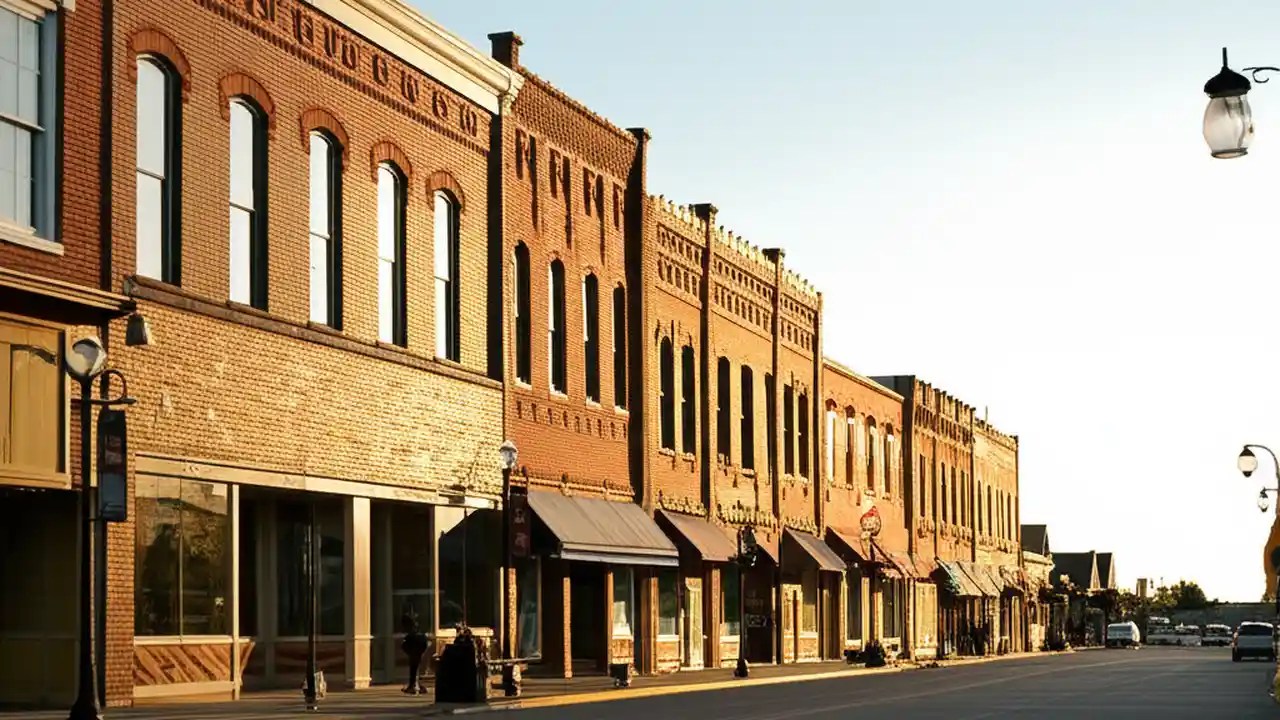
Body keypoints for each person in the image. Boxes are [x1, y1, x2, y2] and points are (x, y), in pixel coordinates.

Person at [401, 602, 428, 695]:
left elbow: (405, 644)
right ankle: (416, 685)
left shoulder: (411, 635)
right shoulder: (418, 630)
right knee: (416, 668)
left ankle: (414, 686)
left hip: (415, 648)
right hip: (418, 648)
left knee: (414, 668)